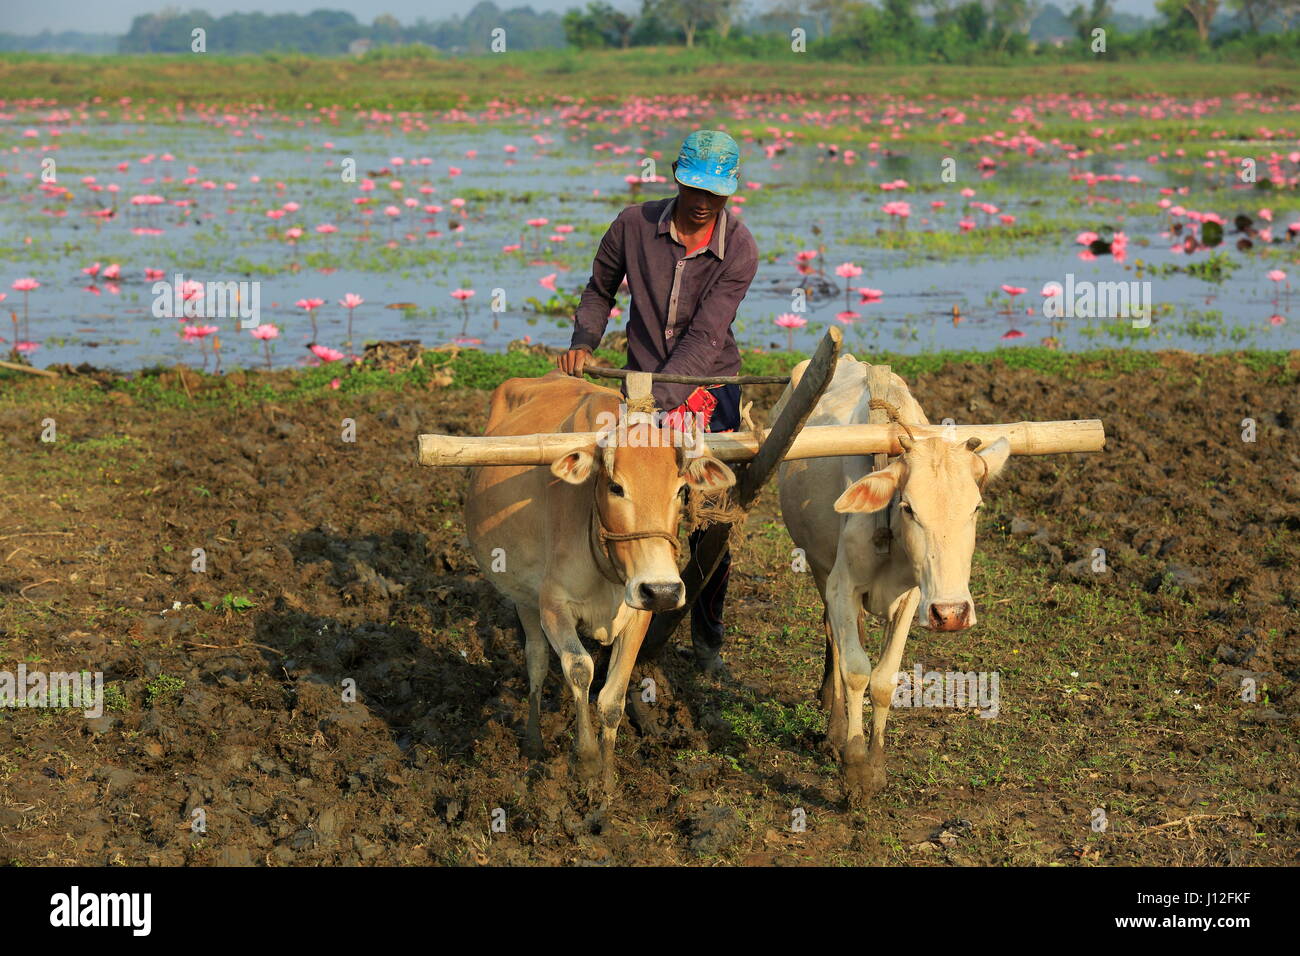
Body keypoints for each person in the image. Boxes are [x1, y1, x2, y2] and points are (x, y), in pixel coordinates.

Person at [558, 129, 759, 673]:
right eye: (694, 188)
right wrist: (583, 342)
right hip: (640, 387)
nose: (702, 202)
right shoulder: (632, 224)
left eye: (714, 194)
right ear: (675, 175)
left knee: (710, 522)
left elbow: (706, 337)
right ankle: (609, 611)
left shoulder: (739, 248)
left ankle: (707, 633)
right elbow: (600, 289)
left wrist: (654, 408)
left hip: (708, 391)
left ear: (730, 192)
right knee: (622, 498)